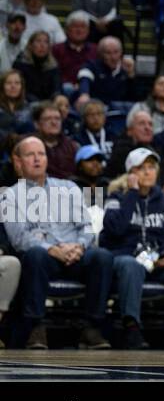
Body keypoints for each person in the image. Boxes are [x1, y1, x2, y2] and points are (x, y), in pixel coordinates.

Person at [1, 136, 114, 349]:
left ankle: (91, 327)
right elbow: (19, 239)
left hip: (75, 254)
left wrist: (79, 246)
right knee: (34, 255)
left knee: (103, 256)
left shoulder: (69, 187)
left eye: (41, 154)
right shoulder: (10, 196)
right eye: (30, 155)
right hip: (45, 259)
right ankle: (36, 326)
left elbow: (87, 226)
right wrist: (52, 249)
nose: (37, 159)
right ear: (18, 162)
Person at [99, 148, 164, 350]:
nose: (148, 172)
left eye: (151, 167)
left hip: (156, 261)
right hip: (125, 257)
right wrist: (131, 193)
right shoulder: (116, 197)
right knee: (132, 265)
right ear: (130, 173)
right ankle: (131, 329)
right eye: (141, 168)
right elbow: (114, 230)